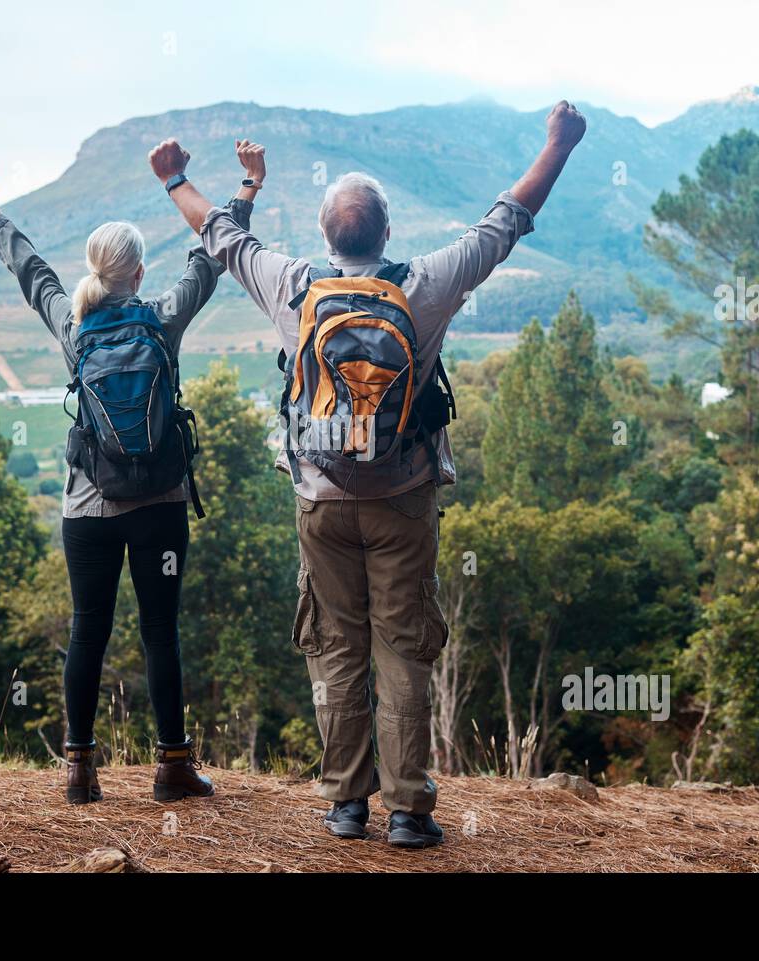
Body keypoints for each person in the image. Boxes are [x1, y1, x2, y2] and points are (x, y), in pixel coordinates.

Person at [149, 102, 587, 846]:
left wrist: (177, 179)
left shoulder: (291, 284)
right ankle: (409, 811)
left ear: (326, 235)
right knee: (403, 649)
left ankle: (347, 803)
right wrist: (559, 146)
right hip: (403, 498)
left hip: (319, 500)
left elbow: (220, 236)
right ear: (386, 232)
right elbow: (506, 221)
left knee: (337, 648)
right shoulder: (426, 285)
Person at [0, 143, 267, 803]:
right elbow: (217, 251)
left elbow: (29, 268)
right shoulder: (162, 319)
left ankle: (78, 768)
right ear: (136, 270)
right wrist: (247, 186)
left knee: (87, 628)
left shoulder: (74, 327)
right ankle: (172, 766)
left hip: (88, 507)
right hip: (159, 501)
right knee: (161, 630)